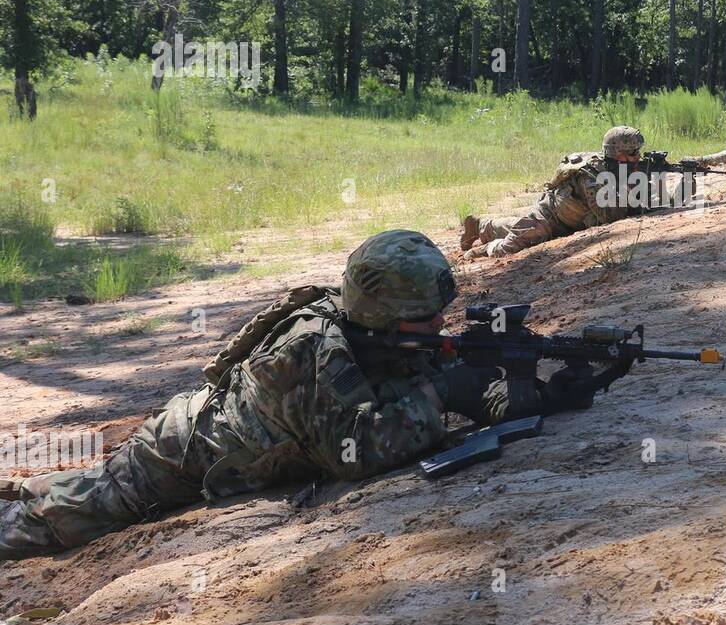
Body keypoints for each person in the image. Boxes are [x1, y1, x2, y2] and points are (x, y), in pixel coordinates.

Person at [0, 230, 628, 560]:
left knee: (60, 491)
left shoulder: (384, 340)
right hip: (176, 456)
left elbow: (452, 390)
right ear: (382, 314)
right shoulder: (313, 354)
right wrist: (447, 391)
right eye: (424, 319)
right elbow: (353, 453)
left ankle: (23, 487)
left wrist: (542, 393)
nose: (440, 328)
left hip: (225, 447)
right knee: (63, 517)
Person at [461, 126, 646, 259]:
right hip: (549, 217)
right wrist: (628, 188)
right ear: (616, 154)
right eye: (633, 153)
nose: (638, 157)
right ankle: (485, 248)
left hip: (568, 223)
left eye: (638, 152)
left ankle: (479, 226)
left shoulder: (618, 171)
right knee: (509, 248)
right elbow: (608, 218)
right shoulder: (591, 177)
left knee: (514, 226)